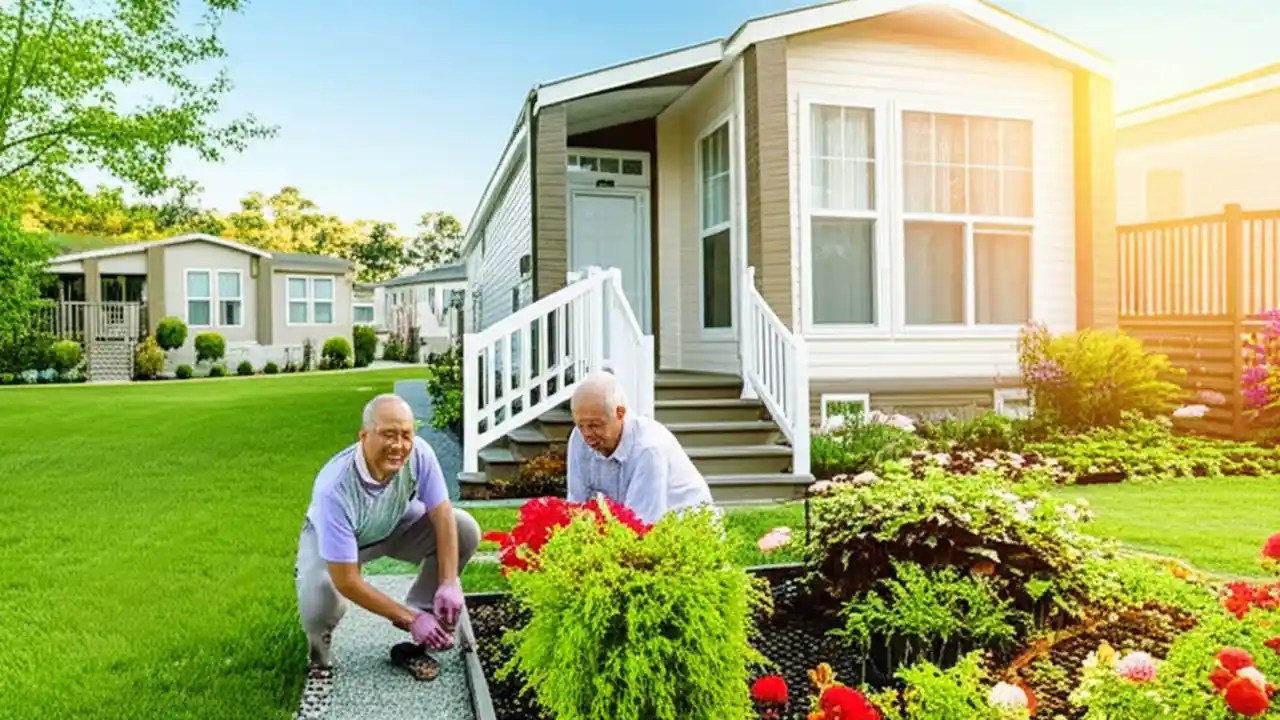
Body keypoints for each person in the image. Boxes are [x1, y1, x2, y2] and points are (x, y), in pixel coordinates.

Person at [294, 393, 480, 682]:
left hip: (393, 524)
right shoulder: (334, 488)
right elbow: (347, 580)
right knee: (319, 597)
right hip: (339, 543)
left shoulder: (419, 453)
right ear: (364, 435)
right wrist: (408, 619)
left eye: (406, 435)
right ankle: (319, 656)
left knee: (463, 528)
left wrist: (448, 582)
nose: (398, 446)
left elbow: (442, 516)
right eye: (388, 435)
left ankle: (424, 624)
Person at [566, 372, 715, 525]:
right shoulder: (578, 437)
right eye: (580, 425)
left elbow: (641, 523)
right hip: (646, 527)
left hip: (689, 531)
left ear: (620, 413)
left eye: (595, 425)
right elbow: (576, 504)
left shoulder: (649, 449)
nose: (587, 434)